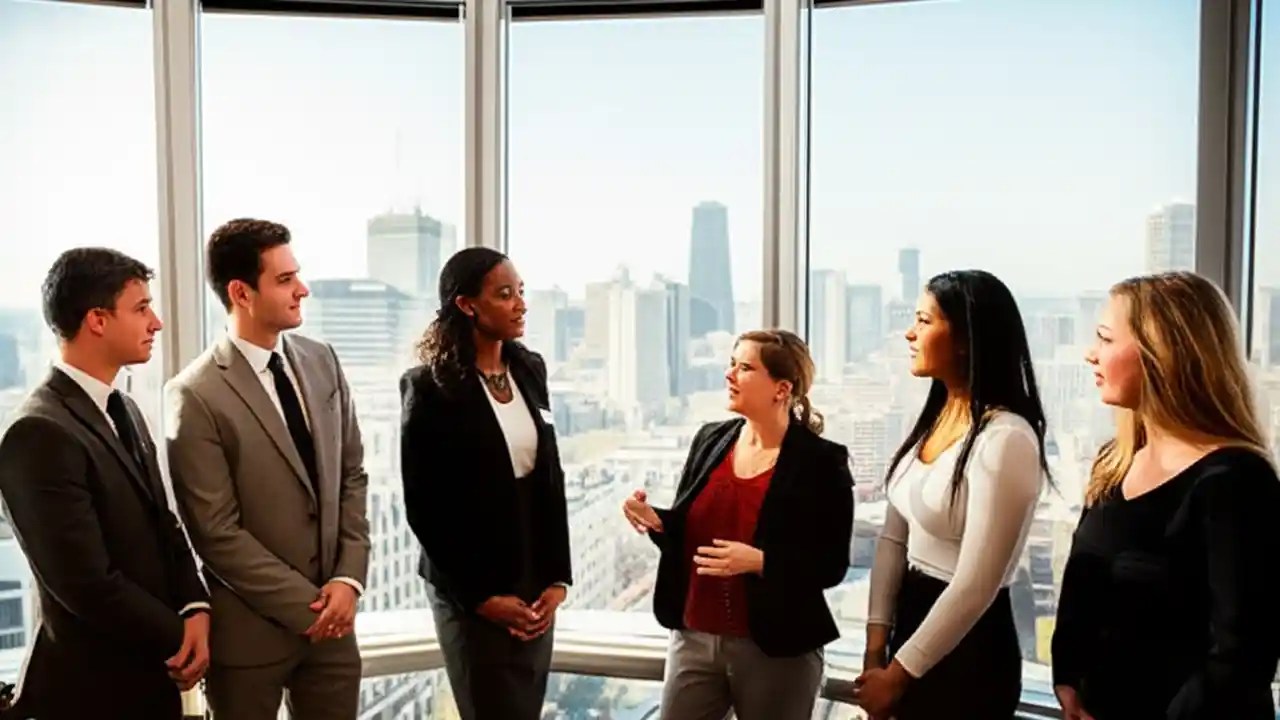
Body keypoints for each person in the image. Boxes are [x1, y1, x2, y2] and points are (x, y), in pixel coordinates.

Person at [1052, 271, 1280, 720]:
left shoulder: (1235, 481)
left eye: (1105, 338)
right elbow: (1079, 593)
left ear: (1162, 353)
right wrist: (1067, 681)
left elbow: (1239, 656)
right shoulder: (1113, 464)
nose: (1089, 353)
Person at [166, 219, 370, 719]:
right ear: (241, 292)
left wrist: (348, 579)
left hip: (334, 632)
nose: (303, 289)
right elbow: (215, 532)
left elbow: (352, 476)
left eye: (296, 275)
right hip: (250, 642)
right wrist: (310, 608)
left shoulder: (322, 360)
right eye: (284, 280)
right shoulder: (195, 394)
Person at [0, 248, 210, 719]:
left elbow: (163, 522)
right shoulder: (37, 431)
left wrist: (196, 605)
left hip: (149, 682)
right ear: (97, 319)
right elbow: (87, 584)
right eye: (140, 308)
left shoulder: (125, 409)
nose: (155, 322)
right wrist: (180, 634)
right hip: (88, 694)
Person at [622, 329, 854, 720]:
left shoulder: (820, 462)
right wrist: (658, 521)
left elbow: (831, 565)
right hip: (693, 638)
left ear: (782, 388)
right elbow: (689, 530)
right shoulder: (711, 439)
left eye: (744, 367)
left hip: (776, 647)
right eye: (731, 363)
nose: (729, 375)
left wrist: (761, 561)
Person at [858, 270, 1049, 720]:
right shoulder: (935, 417)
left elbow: (976, 584)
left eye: (924, 321)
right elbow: (892, 540)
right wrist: (875, 648)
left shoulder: (1006, 439)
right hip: (910, 627)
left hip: (969, 650)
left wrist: (900, 673)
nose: (910, 332)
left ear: (966, 339)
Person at [400, 247, 572, 720]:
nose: (520, 303)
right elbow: (425, 508)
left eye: (520, 292)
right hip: (470, 590)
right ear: (467, 305)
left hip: (532, 582)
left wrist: (557, 577)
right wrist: (482, 599)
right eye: (504, 294)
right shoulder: (430, 389)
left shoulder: (529, 369)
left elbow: (549, 480)